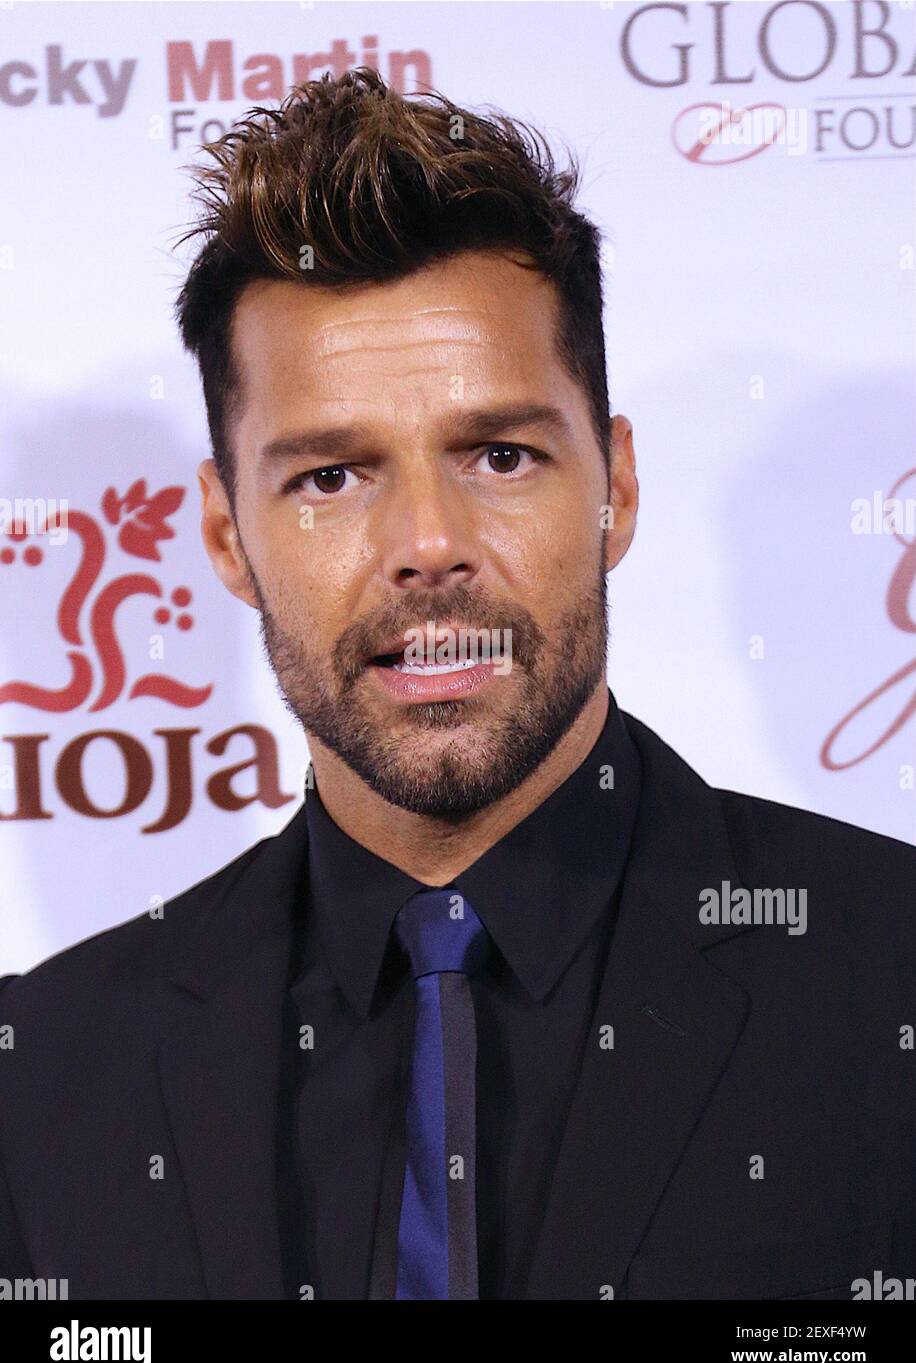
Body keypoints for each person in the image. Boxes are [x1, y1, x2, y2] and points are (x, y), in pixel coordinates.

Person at [1, 68, 913, 1301]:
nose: (428, 541)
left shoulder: (883, 969)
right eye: (330, 477)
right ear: (225, 537)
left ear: (616, 487)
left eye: (499, 453)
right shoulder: (50, 1066)